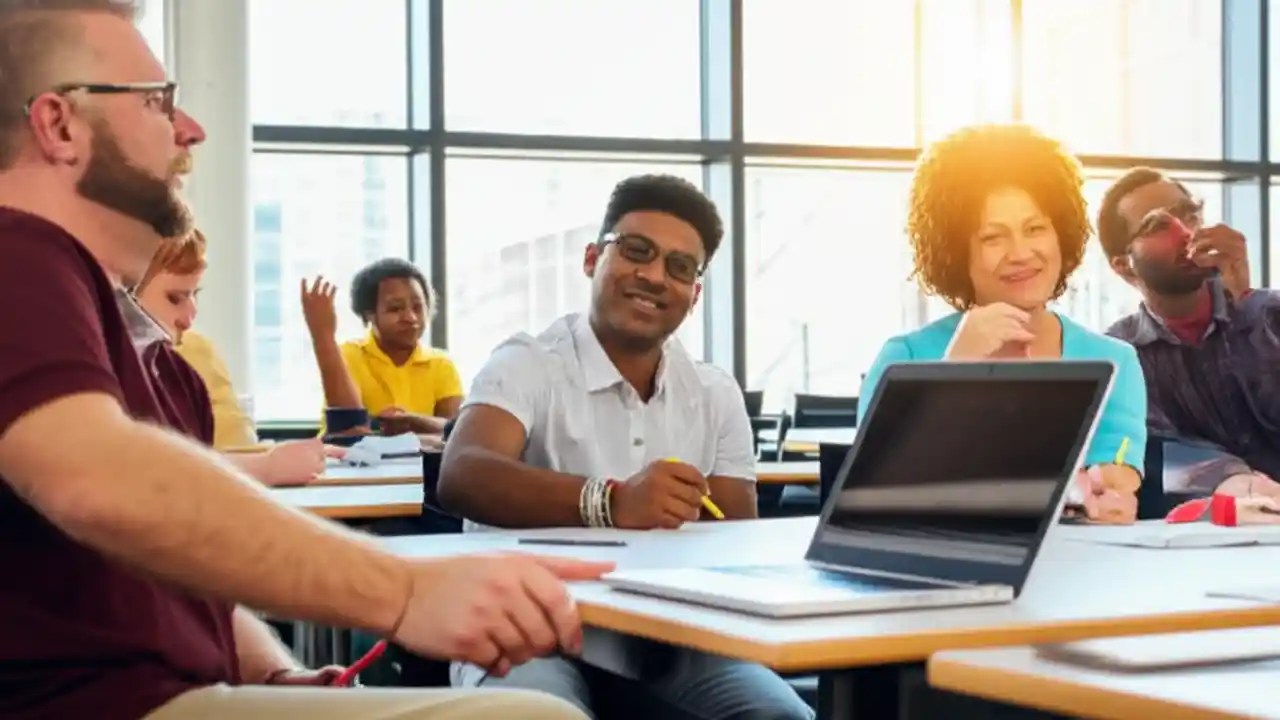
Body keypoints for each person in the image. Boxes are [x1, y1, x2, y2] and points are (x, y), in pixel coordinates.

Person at [0, 3, 605, 719]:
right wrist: (406, 592)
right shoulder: (18, 254)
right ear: (59, 124)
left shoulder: (161, 368)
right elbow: (93, 478)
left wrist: (280, 676)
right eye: (157, 102)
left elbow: (184, 588)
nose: (191, 128)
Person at [439, 174, 813, 719]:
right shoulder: (527, 362)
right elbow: (464, 474)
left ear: (695, 295)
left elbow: (736, 534)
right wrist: (612, 502)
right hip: (527, 627)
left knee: (783, 717)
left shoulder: (713, 391)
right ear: (592, 259)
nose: (655, 276)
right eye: (637, 251)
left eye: (680, 267)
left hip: (673, 639)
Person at [858, 124, 1148, 524]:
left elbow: (1114, 475)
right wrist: (957, 368)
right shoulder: (905, 357)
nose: (1020, 253)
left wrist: (1107, 497)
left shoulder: (1115, 360)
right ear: (957, 253)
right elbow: (875, 497)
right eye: (993, 238)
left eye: (1035, 229)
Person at [1096, 167, 1280, 498]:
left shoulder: (1269, 313)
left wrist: (1244, 304)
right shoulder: (1121, 355)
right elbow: (1160, 459)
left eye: (1188, 214)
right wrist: (1239, 481)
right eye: (1156, 225)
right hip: (1214, 524)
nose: (1185, 232)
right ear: (1123, 265)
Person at [133, 229, 336, 485]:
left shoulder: (183, 370)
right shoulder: (109, 375)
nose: (189, 318)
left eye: (195, 294)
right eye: (175, 298)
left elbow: (210, 458)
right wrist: (266, 466)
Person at [302, 258, 463, 438]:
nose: (411, 317)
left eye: (418, 307)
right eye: (395, 309)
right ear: (369, 314)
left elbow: (456, 431)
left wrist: (411, 421)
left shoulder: (441, 364)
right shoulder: (349, 354)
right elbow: (348, 427)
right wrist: (323, 336)